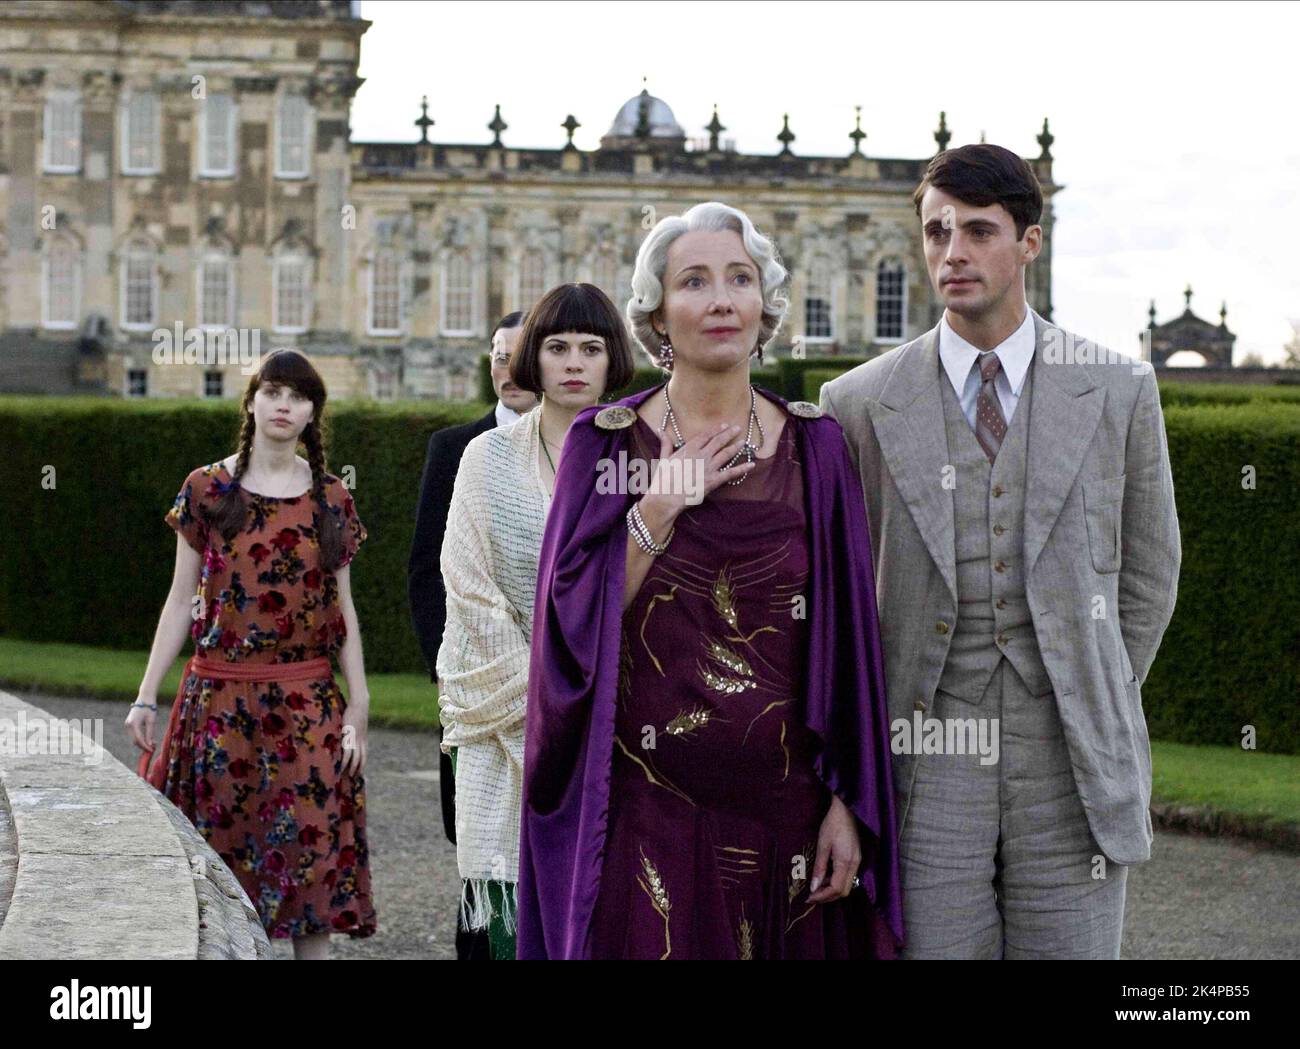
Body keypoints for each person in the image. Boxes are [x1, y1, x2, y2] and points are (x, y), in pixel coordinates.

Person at [820, 143, 1182, 959]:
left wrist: (1095, 683)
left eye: (978, 230)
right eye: (936, 230)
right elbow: (840, 590)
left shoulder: (1119, 388)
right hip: (924, 754)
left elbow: (1151, 569)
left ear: (1029, 242)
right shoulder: (857, 402)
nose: (953, 252)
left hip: (1071, 755)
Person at [517, 202, 904, 960]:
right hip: (642, 814)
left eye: (740, 279)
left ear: (766, 307)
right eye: (693, 281)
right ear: (657, 314)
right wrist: (657, 506)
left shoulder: (818, 448)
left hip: (789, 819)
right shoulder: (604, 445)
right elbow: (565, 633)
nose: (721, 299)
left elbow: (853, 642)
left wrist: (846, 805)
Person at [127, 348, 376, 960]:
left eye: (297, 395)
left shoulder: (331, 499)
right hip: (216, 706)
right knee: (217, 873)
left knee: (310, 865)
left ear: (314, 410)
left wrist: (360, 704)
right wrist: (145, 693)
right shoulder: (207, 490)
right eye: (272, 392)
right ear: (252, 401)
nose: (284, 405)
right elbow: (179, 598)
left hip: (307, 702)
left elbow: (343, 609)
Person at [437, 283, 634, 960]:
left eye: (591, 347)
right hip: (503, 724)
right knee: (506, 928)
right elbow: (468, 586)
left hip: (612, 725)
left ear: (613, 360)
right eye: (556, 347)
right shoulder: (485, 458)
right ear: (532, 359)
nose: (574, 361)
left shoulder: (640, 455)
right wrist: (549, 700)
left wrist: (589, 703)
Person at [407, 311, 537, 959]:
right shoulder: (455, 445)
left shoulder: (591, 447)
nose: (506, 368)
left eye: (519, 354)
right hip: (475, 697)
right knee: (480, 856)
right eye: (496, 354)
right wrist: (458, 673)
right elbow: (426, 574)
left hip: (557, 695)